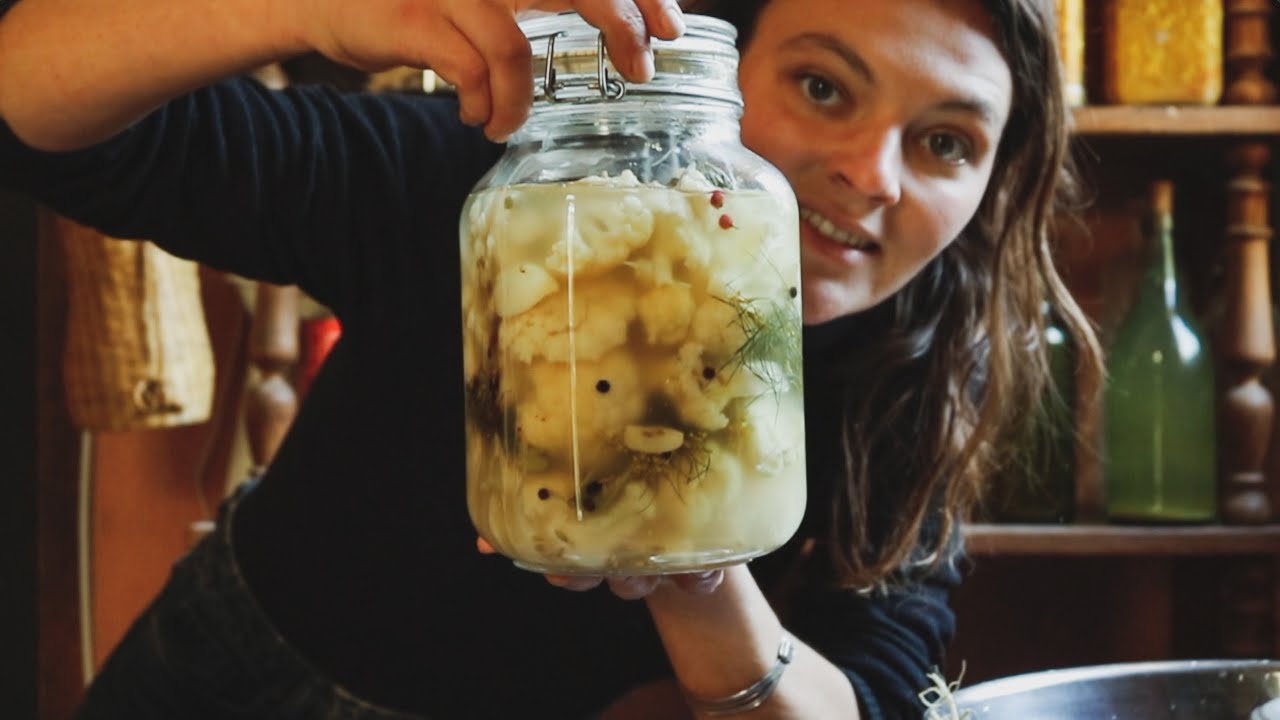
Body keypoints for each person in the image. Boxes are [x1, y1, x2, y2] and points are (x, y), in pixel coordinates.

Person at [0, 0, 1101, 717]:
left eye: (944, 141)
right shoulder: (502, 192)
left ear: (990, 190)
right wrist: (306, 9)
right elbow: (38, 116)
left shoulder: (921, 372)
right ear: (705, 71)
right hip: (239, 684)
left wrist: (696, 570)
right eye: (821, 87)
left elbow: (865, 703)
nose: (870, 173)